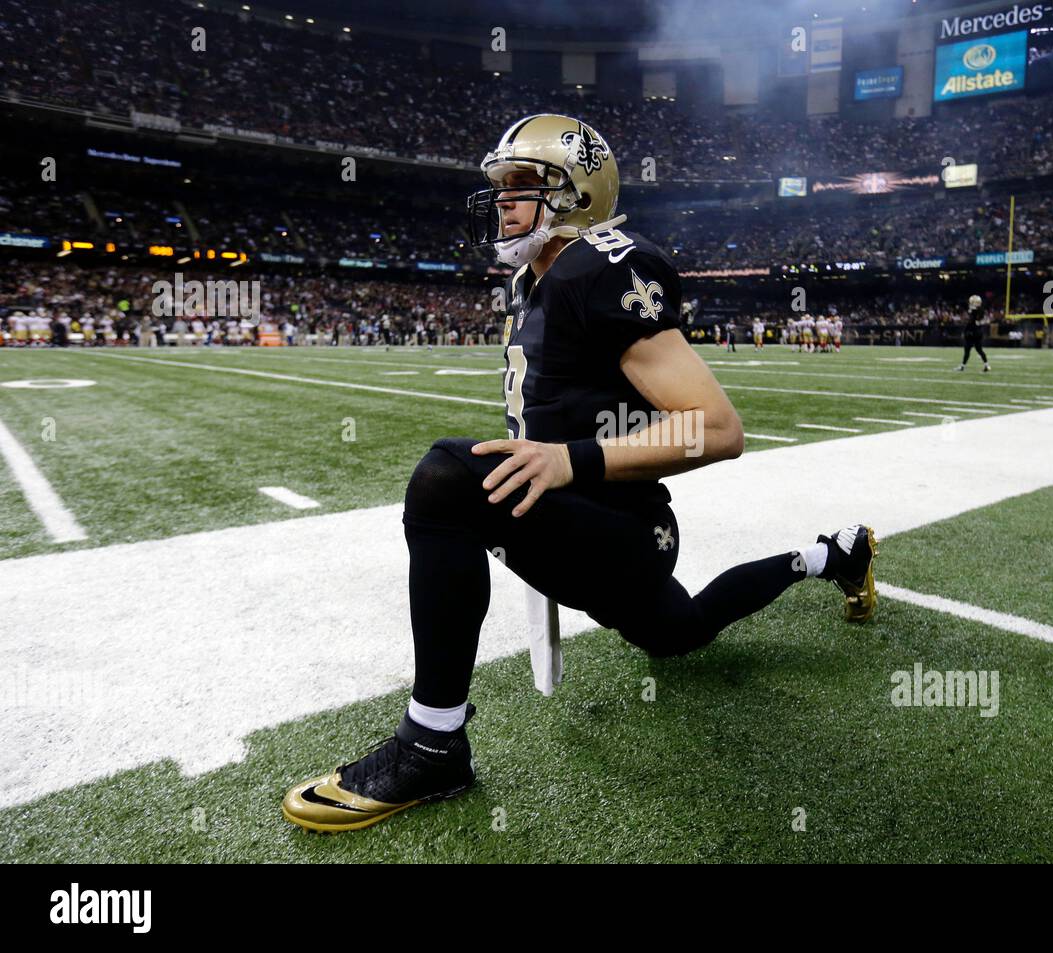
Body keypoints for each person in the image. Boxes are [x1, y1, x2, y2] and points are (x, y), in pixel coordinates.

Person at [282, 115, 880, 832]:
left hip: (625, 531)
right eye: (498, 186)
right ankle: (832, 553)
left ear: (576, 195)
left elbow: (717, 427)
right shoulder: (538, 279)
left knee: (444, 477)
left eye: (522, 185)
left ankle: (433, 742)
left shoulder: (602, 266)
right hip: (586, 529)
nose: (503, 201)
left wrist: (571, 459)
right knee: (679, 633)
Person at [956, 294, 990, 372]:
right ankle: (986, 365)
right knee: (979, 350)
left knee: (967, 350)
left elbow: (970, 322)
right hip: (978, 332)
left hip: (972, 332)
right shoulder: (981, 310)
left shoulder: (973, 311)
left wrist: (965, 331)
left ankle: (962, 366)